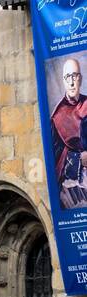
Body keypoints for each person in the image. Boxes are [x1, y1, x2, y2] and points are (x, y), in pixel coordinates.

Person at [52, 57, 87, 207]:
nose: (72, 82)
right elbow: (55, 157)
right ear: (63, 81)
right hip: (72, 187)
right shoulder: (57, 116)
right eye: (68, 77)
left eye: (75, 76)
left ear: (80, 78)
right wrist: (79, 158)